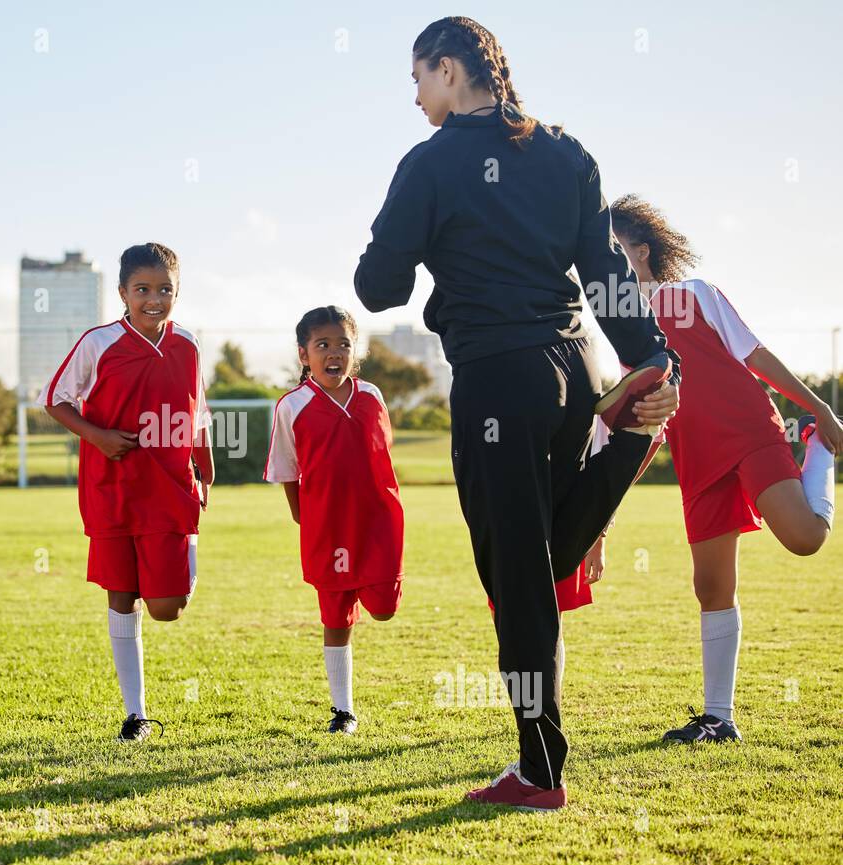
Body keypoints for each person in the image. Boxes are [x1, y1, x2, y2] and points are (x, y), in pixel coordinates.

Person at [354, 16, 680, 810]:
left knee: (519, 574)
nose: (416, 97)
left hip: (499, 378)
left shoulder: (429, 164)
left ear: (450, 69)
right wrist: (655, 354)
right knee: (537, 560)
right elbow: (605, 273)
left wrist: (402, 241)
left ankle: (539, 771)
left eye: (418, 79)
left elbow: (377, 288)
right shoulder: (567, 153)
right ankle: (623, 452)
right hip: (572, 372)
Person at [612, 194, 839, 743]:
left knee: (806, 538)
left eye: (612, 249)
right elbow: (631, 425)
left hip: (748, 433)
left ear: (642, 252)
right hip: (696, 459)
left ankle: (818, 448)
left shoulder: (695, 295)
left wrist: (819, 408)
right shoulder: (620, 331)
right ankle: (719, 719)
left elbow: (755, 354)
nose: (603, 261)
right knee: (710, 586)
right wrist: (601, 519)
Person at [41, 242, 214, 742]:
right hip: (112, 486)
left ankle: (187, 556)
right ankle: (135, 714)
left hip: (169, 486)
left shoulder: (188, 343)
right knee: (122, 595)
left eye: (165, 290)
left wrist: (205, 465)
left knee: (166, 606)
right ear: (122, 292)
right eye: (143, 289)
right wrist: (97, 436)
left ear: (177, 293)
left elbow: (197, 410)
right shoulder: (98, 343)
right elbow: (55, 399)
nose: (153, 299)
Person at [264, 306, 405, 735]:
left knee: (382, 609)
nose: (334, 353)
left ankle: (368, 584)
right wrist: (305, 519)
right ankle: (343, 709)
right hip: (328, 528)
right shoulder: (293, 406)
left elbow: (382, 454)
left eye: (343, 344)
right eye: (323, 345)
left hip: (379, 524)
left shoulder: (372, 396)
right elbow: (285, 470)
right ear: (304, 354)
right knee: (336, 617)